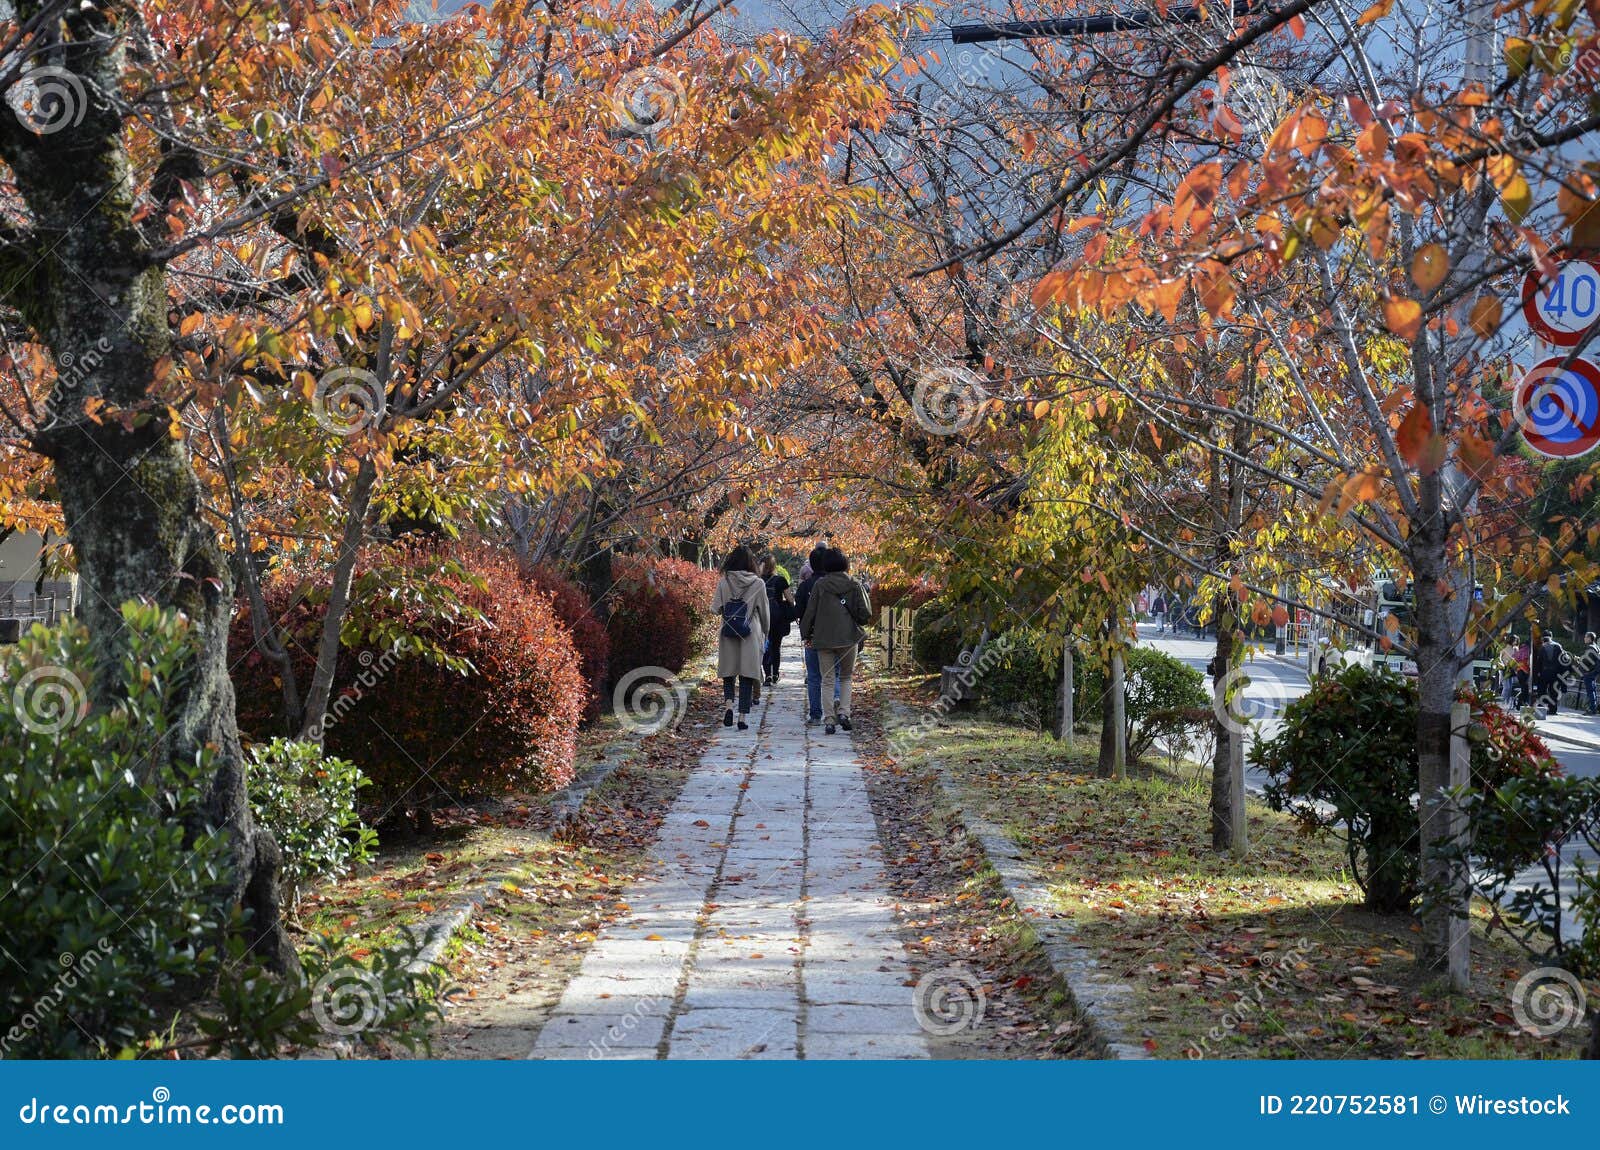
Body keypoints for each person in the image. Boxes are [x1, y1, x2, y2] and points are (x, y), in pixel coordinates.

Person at [800, 547, 871, 735]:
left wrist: (806, 634)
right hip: (848, 638)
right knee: (846, 677)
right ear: (846, 564)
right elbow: (866, 613)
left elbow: (810, 612)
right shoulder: (855, 584)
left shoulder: (820, 586)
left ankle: (829, 720)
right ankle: (844, 713)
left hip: (824, 640)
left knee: (828, 680)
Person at [712, 545, 770, 731]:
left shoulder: (724, 582)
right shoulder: (758, 583)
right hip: (750, 631)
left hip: (728, 630)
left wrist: (729, 611)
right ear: (750, 563)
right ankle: (742, 717)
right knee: (747, 674)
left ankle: (729, 706)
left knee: (729, 672)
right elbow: (765, 613)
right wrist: (766, 632)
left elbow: (715, 608)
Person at [793, 546, 837, 726]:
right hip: (835, 636)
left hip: (812, 636)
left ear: (811, 563)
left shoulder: (805, 586)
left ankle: (816, 714)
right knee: (834, 673)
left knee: (813, 676)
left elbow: (798, 611)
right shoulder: (836, 584)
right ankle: (836, 699)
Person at [761, 555, 793, 685]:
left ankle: (767, 674)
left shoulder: (758, 580)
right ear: (775, 566)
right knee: (776, 646)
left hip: (763, 616)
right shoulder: (780, 580)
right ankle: (775, 674)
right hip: (777, 617)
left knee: (765, 645)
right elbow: (790, 599)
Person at [1582, 631, 1598, 715]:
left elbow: (1587, 661)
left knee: (1590, 691)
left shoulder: (1590, 648)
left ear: (1589, 638)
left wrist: (1579, 660)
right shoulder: (1596, 647)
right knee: (1593, 690)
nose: (1584, 638)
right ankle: (1594, 708)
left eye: (1586, 637)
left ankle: (1592, 709)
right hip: (1594, 672)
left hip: (1589, 672)